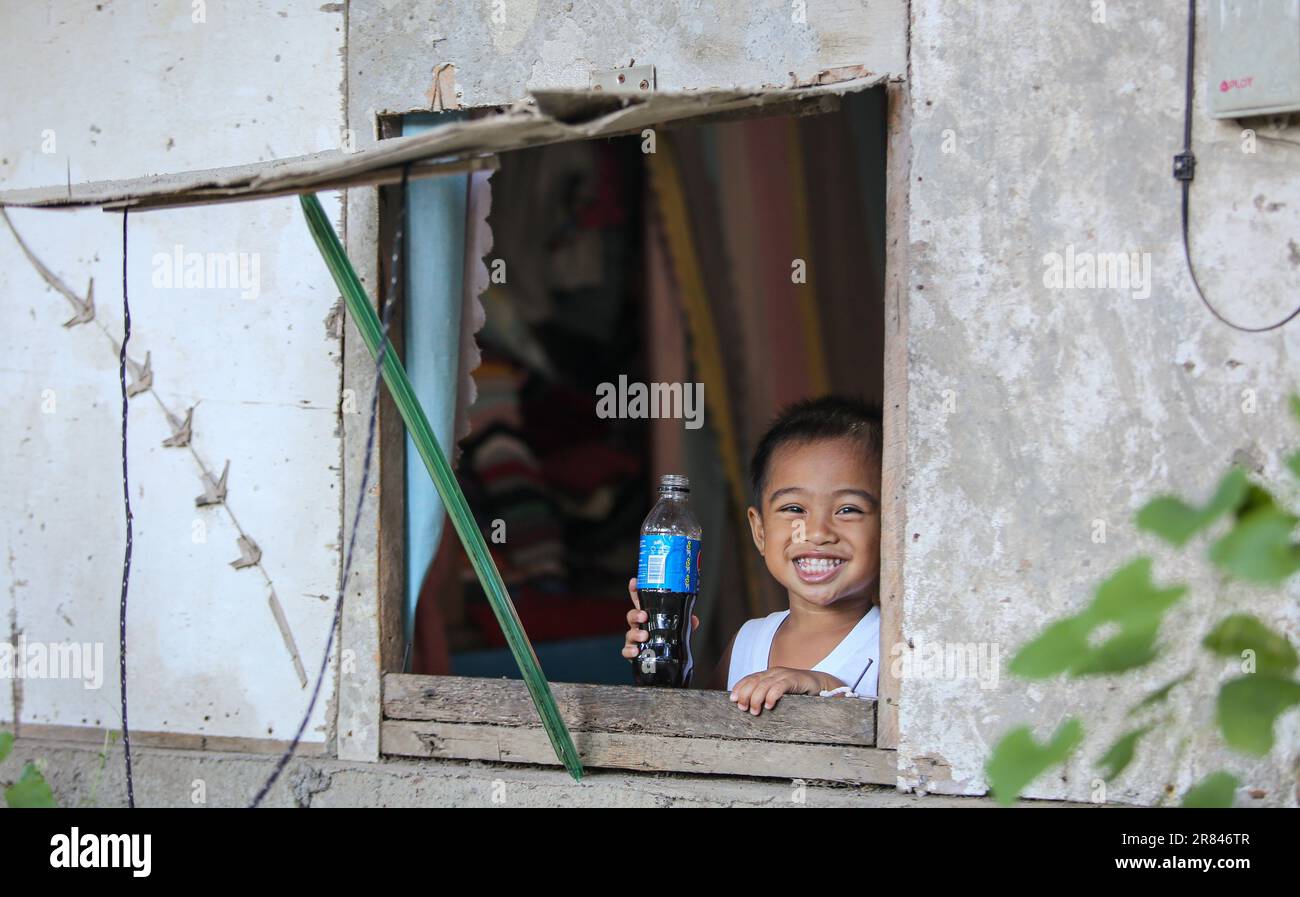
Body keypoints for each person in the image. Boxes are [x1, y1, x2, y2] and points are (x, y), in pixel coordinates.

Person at [623, 395, 883, 715]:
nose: (817, 532)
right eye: (794, 508)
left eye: (848, 509)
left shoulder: (895, 645)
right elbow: (706, 735)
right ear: (760, 532)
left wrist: (825, 686)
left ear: (891, 530)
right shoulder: (749, 641)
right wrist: (666, 660)